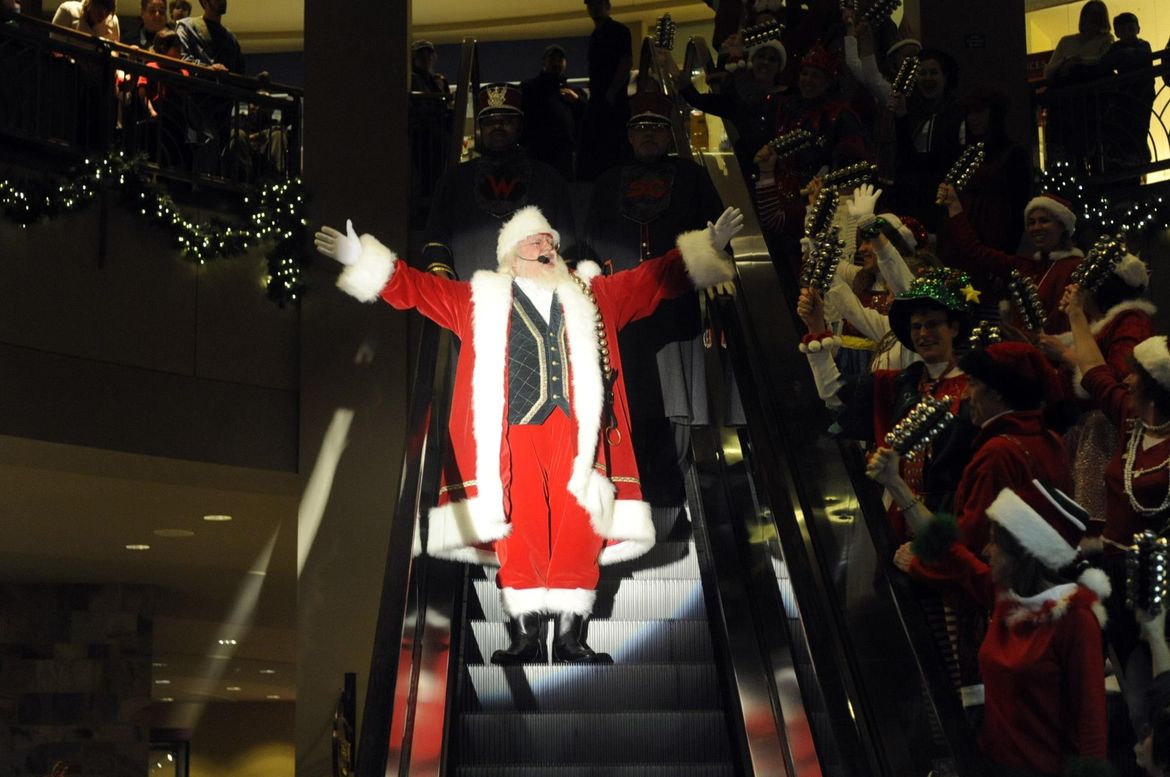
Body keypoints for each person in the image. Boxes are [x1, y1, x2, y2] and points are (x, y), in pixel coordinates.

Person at [314, 204, 744, 664]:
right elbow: (418, 289)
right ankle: (524, 635)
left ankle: (571, 637)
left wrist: (706, 246)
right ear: (510, 254)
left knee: (579, 527)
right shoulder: (478, 299)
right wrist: (362, 258)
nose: (548, 247)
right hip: (511, 438)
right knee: (520, 529)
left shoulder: (594, 294)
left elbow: (651, 281)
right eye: (537, 241)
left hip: (581, 438)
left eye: (551, 241)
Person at [866, 468, 1112, 775]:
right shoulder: (1007, 596)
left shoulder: (1075, 620)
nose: (986, 550)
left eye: (996, 543)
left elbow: (1091, 729)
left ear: (1024, 554)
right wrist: (896, 484)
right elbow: (954, 554)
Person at [584, 89, 727, 507]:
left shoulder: (693, 177)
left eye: (657, 129)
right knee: (628, 401)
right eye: (640, 128)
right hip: (621, 313)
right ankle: (630, 491)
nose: (648, 135)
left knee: (676, 403)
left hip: (676, 310)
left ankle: (672, 494)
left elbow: (715, 235)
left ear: (670, 136)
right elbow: (590, 241)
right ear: (629, 136)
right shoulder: (608, 181)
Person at [798, 267, 978, 541]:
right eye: (916, 326)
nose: (923, 333)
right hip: (895, 517)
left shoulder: (976, 390)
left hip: (955, 523)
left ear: (953, 328)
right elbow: (834, 394)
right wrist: (816, 328)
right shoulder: (899, 384)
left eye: (932, 324)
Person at [421, 83, 575, 280]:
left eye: (506, 120)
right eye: (490, 121)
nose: (498, 126)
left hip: (534, 297)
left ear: (519, 126)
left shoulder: (549, 180)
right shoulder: (453, 181)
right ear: (480, 128)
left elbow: (567, 245)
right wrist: (444, 284)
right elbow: (436, 238)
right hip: (467, 294)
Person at [937, 186, 1083, 334]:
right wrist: (953, 205)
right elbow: (975, 251)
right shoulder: (1025, 266)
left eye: (1044, 221)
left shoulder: (1074, 267)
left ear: (1062, 226)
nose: (1036, 227)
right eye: (1031, 222)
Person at [887, 47, 963, 233]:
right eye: (922, 73)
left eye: (933, 72)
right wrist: (901, 117)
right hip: (910, 197)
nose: (928, 78)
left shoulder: (958, 111)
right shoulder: (909, 110)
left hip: (941, 198)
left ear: (945, 77)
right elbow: (904, 156)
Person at [576, 0, 632, 181]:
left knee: (609, 145)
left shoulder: (617, 31)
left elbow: (625, 62)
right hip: (604, 98)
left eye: (597, 3)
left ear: (607, 6)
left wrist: (612, 92)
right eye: (591, 4)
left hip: (610, 100)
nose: (594, 7)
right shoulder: (597, 34)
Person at [521, 44, 586, 181]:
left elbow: (586, 118)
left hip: (566, 155)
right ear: (544, 62)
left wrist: (577, 100)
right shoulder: (529, 88)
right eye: (552, 59)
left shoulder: (574, 92)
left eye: (560, 60)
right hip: (538, 154)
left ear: (565, 63)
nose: (556, 63)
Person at [1099, 12, 1155, 166]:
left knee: (1140, 126)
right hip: (1125, 94)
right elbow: (1105, 63)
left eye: (1130, 29)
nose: (1127, 34)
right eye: (1123, 31)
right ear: (1117, 33)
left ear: (1138, 29)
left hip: (1142, 93)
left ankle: (1140, 155)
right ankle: (1132, 155)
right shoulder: (1116, 47)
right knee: (1128, 126)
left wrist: (1123, 55)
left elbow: (1142, 57)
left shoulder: (1143, 45)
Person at [177, 0, 243, 74]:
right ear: (205, 2)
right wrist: (208, 69)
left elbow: (239, 71)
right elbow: (182, 58)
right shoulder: (187, 26)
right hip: (197, 83)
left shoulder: (231, 39)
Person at [51, 0, 119, 42]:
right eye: (99, 10)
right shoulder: (68, 11)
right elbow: (56, 47)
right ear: (90, 2)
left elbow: (115, 54)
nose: (103, 15)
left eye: (107, 11)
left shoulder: (112, 21)